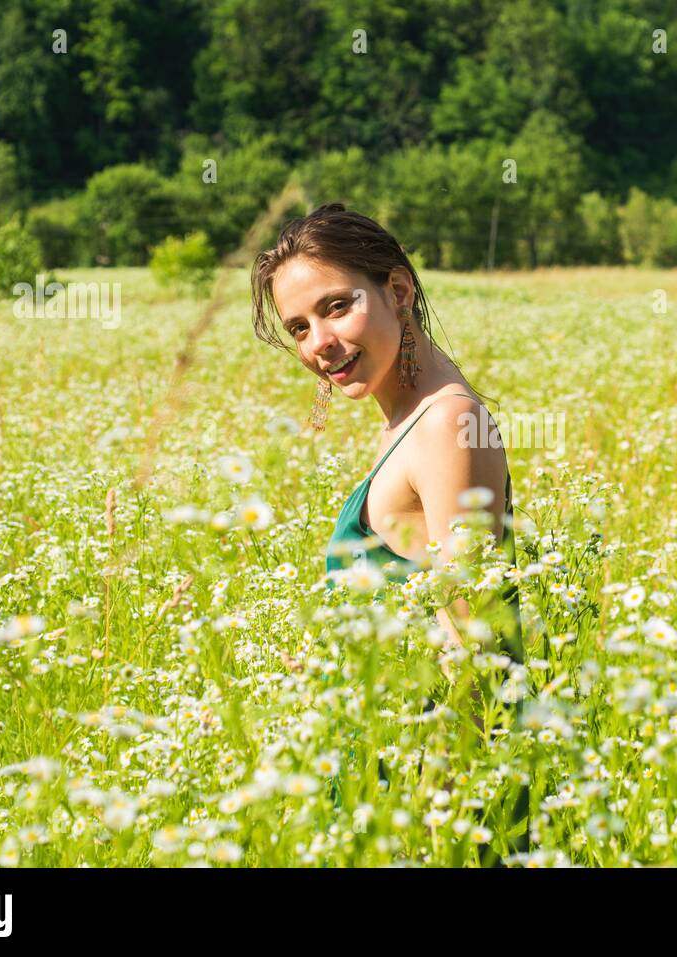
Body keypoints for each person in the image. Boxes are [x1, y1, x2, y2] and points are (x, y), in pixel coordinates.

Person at [250, 202, 530, 865]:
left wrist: (438, 814)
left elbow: (477, 641)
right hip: (394, 768)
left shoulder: (443, 423)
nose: (318, 341)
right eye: (298, 326)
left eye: (336, 306)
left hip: (430, 789)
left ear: (398, 290)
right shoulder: (411, 418)